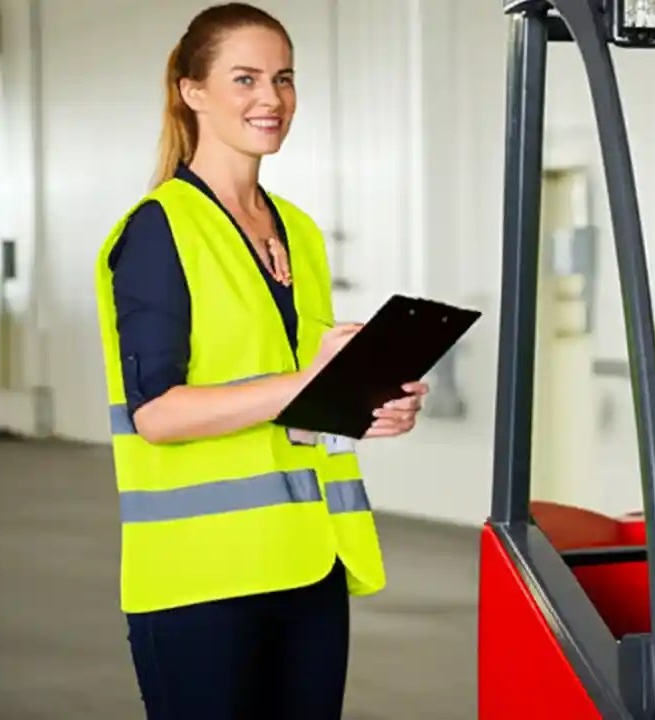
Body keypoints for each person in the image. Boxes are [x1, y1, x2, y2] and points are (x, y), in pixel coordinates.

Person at [91, 4, 423, 717]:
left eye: (283, 78)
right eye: (244, 78)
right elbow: (157, 414)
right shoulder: (160, 230)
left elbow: (296, 410)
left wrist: (362, 406)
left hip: (308, 564)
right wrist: (309, 381)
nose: (270, 98)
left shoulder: (299, 230)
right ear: (193, 91)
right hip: (200, 582)